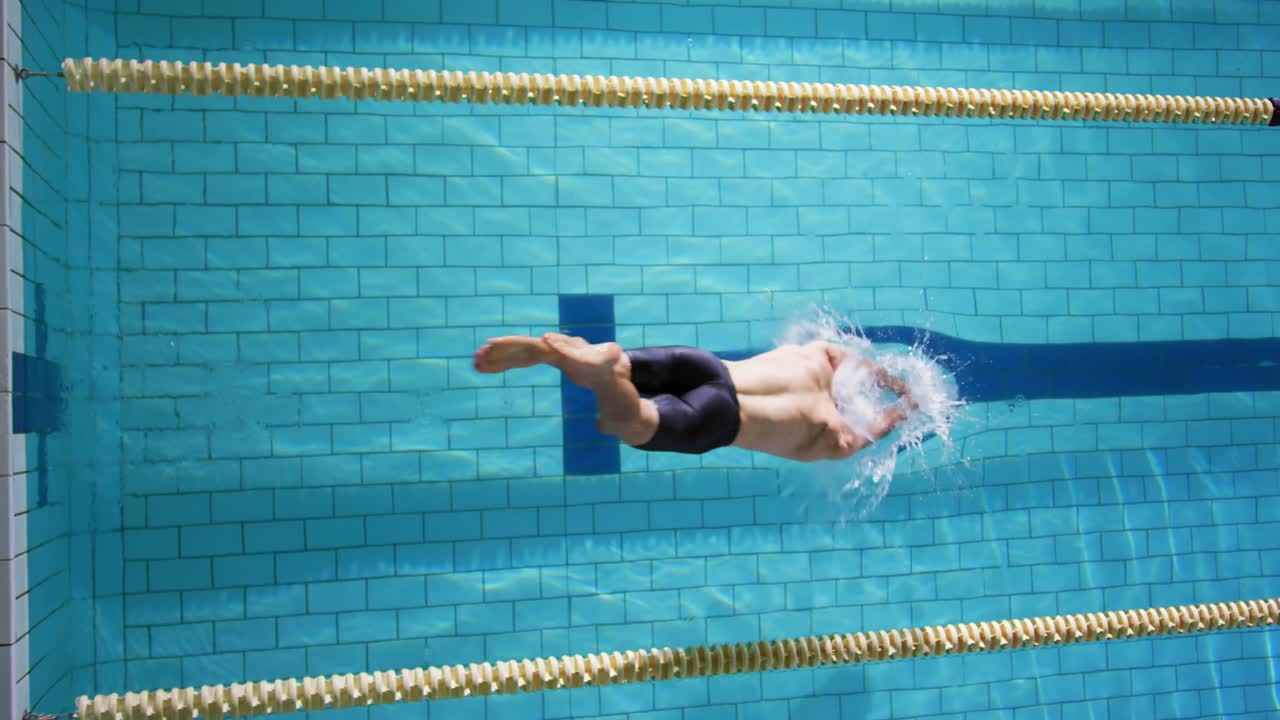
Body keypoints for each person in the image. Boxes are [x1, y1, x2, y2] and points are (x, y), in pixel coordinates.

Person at [473, 333, 916, 462]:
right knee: (631, 424)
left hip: (706, 365)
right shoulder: (828, 430)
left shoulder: (820, 356)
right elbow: (862, 436)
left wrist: (892, 383)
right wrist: (902, 411)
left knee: (628, 365)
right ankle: (605, 378)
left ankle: (560, 355)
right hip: (720, 419)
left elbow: (856, 361)